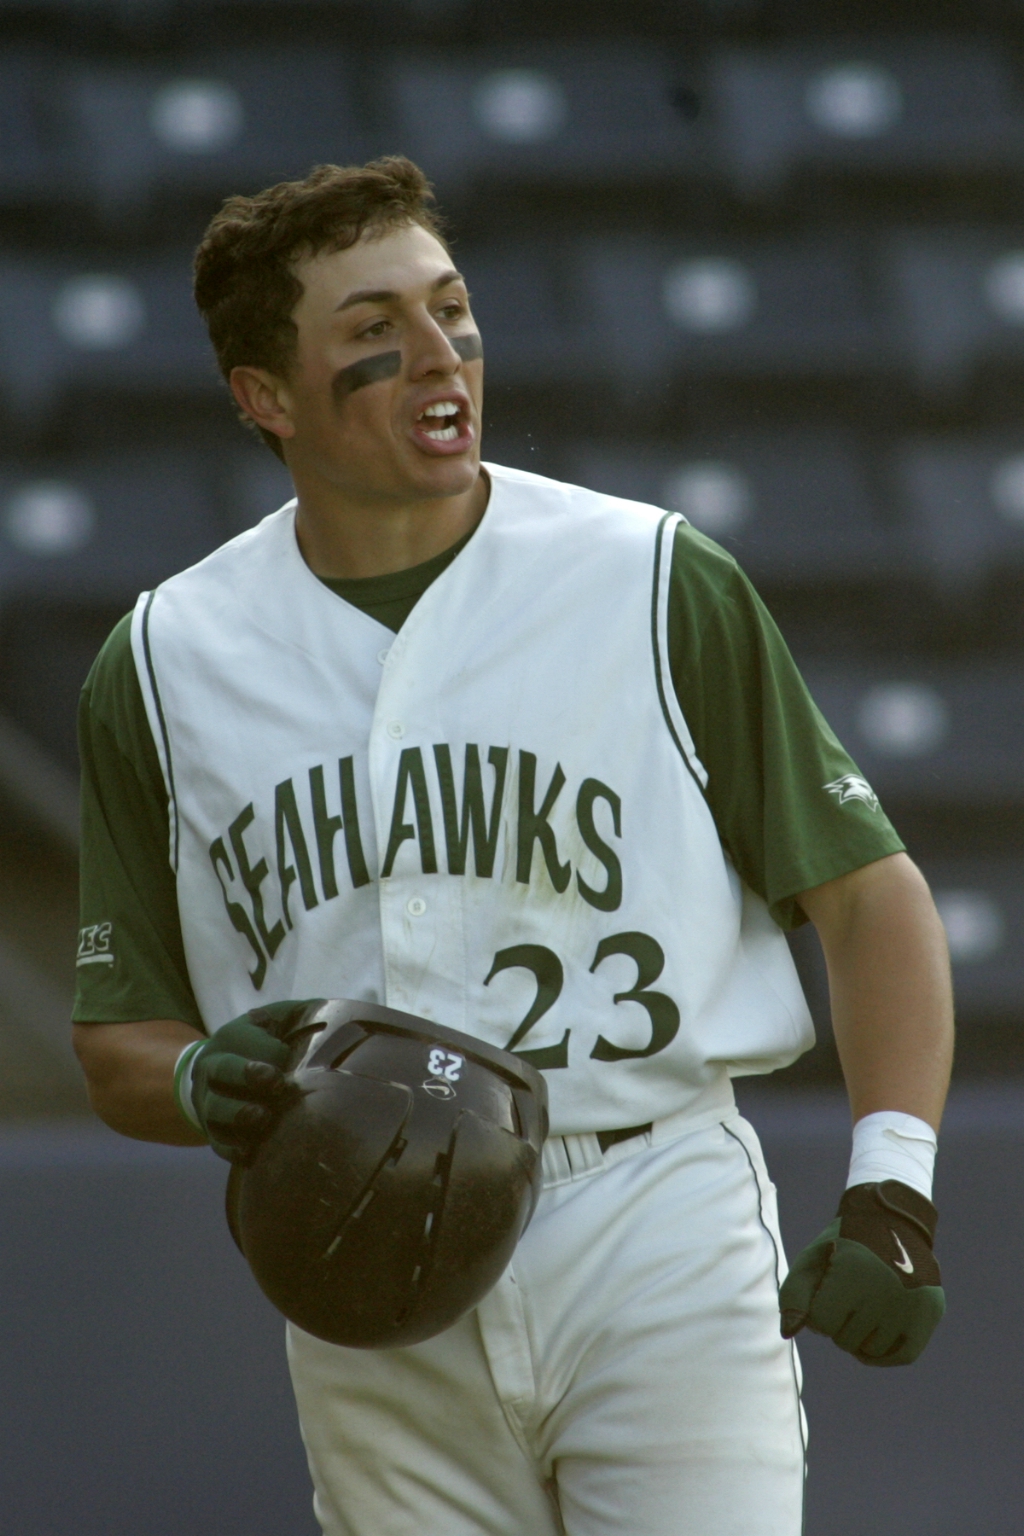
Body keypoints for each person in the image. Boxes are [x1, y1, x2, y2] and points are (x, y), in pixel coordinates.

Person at [73, 157, 954, 1536]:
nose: (439, 355)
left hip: (647, 1208)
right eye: (374, 332)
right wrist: (194, 1081)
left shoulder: (651, 578)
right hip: (356, 1257)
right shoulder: (164, 662)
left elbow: (869, 896)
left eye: (452, 308)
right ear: (263, 396)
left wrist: (894, 1187)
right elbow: (120, 1036)